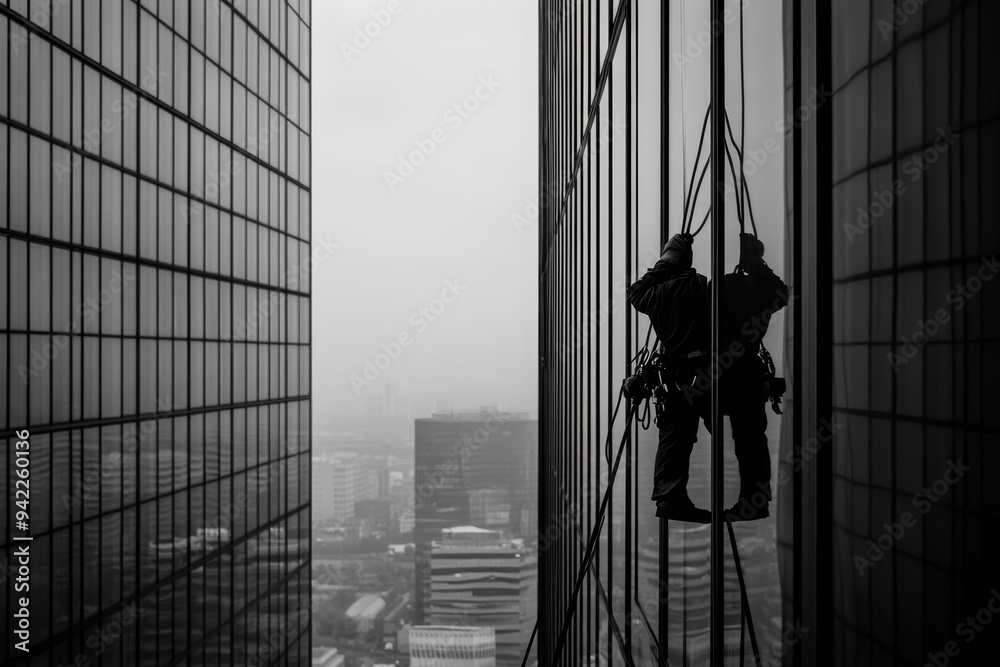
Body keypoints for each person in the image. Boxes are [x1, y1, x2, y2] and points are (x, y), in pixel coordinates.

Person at [627, 232, 788, 522]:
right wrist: (755, 264)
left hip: (687, 382)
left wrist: (667, 261)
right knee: (750, 434)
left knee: (677, 430)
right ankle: (754, 501)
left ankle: (669, 497)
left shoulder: (667, 292)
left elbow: (636, 294)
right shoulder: (743, 287)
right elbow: (780, 293)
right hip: (739, 380)